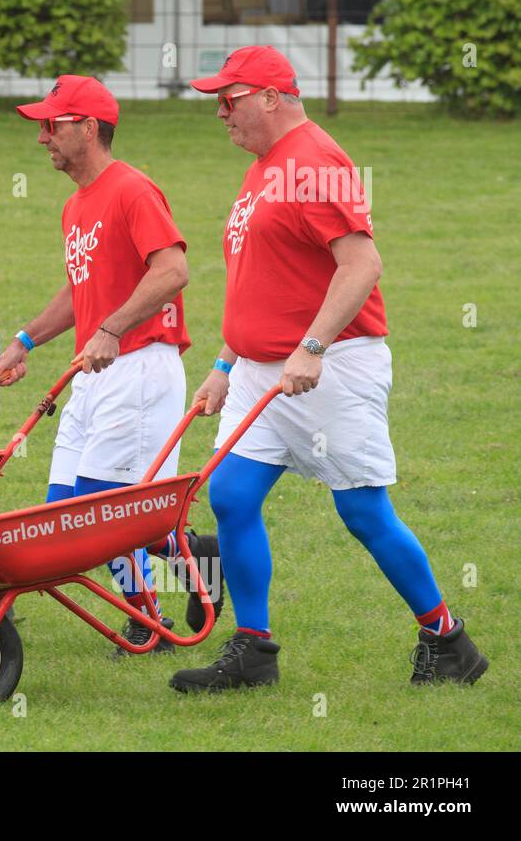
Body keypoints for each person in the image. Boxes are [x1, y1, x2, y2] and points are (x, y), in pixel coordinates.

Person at [171, 46, 488, 692]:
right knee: (231, 495)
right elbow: (264, 280)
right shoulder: (266, 165)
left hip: (329, 364)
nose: (221, 115)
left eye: (228, 101)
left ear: (269, 96)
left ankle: (446, 636)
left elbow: (362, 265)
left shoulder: (314, 160)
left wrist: (311, 348)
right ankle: (254, 652)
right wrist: (224, 363)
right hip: (264, 369)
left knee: (364, 512)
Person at [0, 75, 221, 654]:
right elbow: (79, 291)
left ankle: (157, 612)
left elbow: (171, 271)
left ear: (89, 128)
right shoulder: (75, 205)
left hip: (140, 364)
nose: (42, 137)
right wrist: (25, 339)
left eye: (53, 125)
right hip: (95, 370)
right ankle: (184, 572)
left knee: (100, 511)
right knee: (64, 511)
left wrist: (114, 328)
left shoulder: (133, 190)